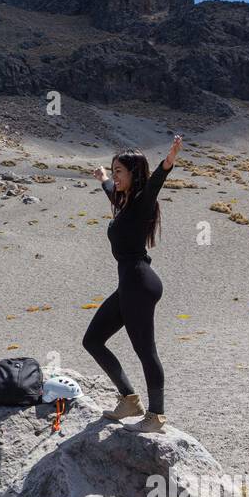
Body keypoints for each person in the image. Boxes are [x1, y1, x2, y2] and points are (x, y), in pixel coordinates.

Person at [82, 135, 182, 432]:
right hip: (130, 285)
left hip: (139, 284)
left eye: (119, 172)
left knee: (146, 351)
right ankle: (129, 400)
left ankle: (156, 415)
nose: (115, 177)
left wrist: (168, 163)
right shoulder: (125, 203)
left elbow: (154, 185)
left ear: (134, 174)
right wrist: (103, 180)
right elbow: (113, 193)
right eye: (113, 171)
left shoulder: (141, 202)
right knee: (92, 340)